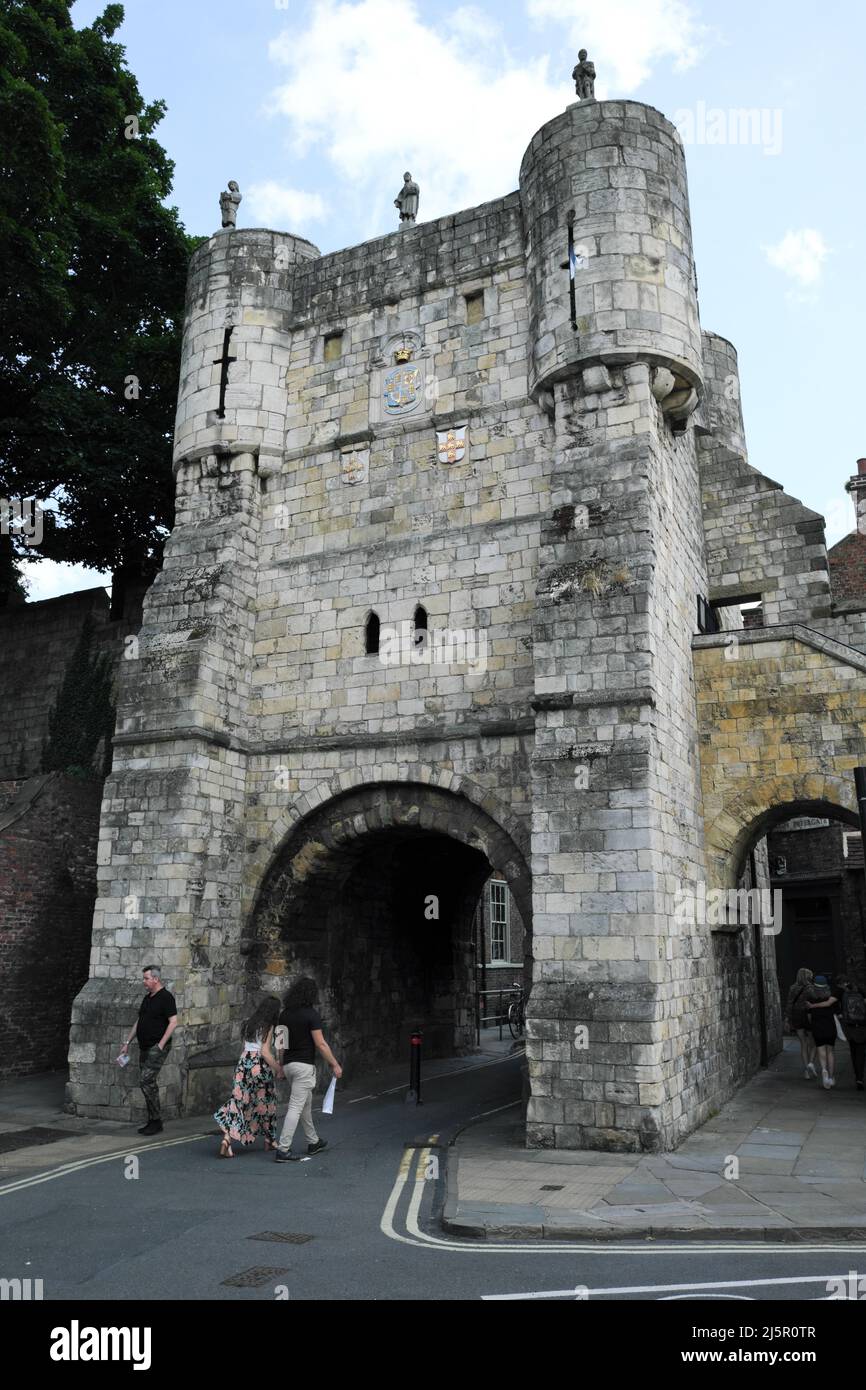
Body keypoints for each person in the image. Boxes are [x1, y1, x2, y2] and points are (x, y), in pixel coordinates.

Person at [274, 976, 342, 1163]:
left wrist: (281, 1067)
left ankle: (313, 1142)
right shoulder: (311, 1015)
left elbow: (280, 1044)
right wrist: (334, 1064)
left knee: (304, 1105)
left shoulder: (284, 1014)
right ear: (311, 994)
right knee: (296, 1107)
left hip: (289, 1065)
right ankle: (283, 1149)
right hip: (304, 1066)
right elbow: (320, 1043)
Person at [214, 997, 282, 1157]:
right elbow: (265, 1052)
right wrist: (279, 1068)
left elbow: (247, 1047)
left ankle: (227, 1139)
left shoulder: (249, 1023)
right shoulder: (269, 1026)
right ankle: (270, 1140)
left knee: (240, 1102)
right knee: (266, 1102)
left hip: (244, 1063)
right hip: (259, 1065)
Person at [119, 965, 178, 1134]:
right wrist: (127, 1042)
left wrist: (160, 1045)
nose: (144, 981)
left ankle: (156, 1121)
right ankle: (153, 1120)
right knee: (148, 1083)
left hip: (156, 1047)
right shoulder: (147, 998)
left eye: (146, 978)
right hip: (144, 1046)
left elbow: (173, 1022)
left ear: (155, 979)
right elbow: (140, 1021)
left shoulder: (166, 998)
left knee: (146, 1081)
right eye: (144, 978)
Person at [806, 974, 839, 1090]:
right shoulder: (830, 997)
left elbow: (809, 1016)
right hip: (829, 1026)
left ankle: (823, 1070)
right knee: (830, 1051)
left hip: (817, 1026)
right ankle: (831, 1076)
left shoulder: (810, 998)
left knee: (821, 1051)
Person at [835, 974, 866, 1091]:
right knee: (861, 1052)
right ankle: (860, 1077)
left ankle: (858, 1076)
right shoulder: (861, 991)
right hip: (862, 1026)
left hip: (850, 1027)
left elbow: (835, 1006)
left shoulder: (842, 993)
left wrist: (840, 1015)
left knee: (854, 1051)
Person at [785, 967, 817, 1078]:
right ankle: (811, 1063)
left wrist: (787, 1019)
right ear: (808, 976)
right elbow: (817, 998)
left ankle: (806, 1071)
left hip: (796, 1016)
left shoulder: (792, 988)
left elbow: (789, 1004)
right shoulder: (810, 988)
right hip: (808, 1016)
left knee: (803, 1044)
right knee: (813, 1043)